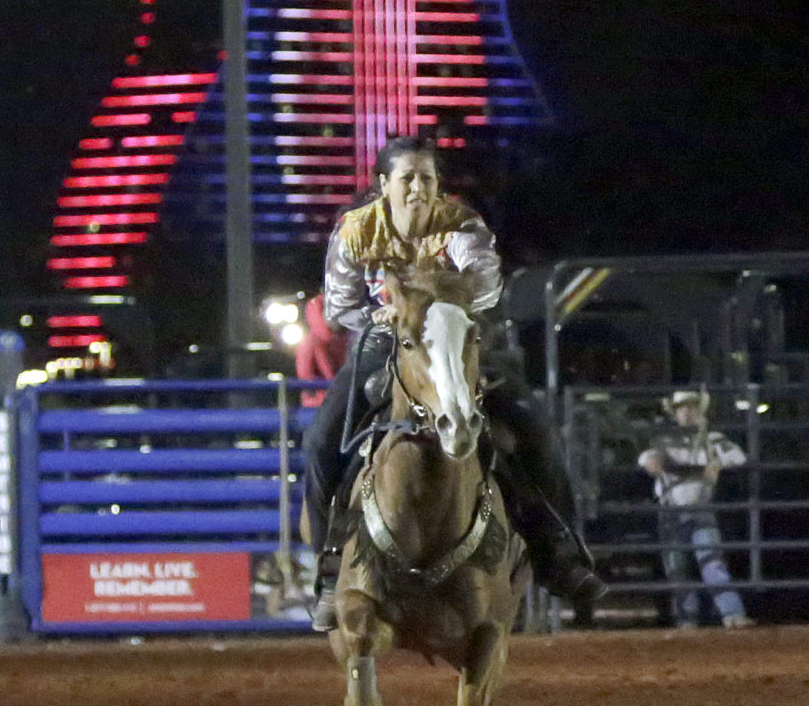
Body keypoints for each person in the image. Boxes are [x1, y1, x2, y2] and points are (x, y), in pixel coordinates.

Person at [303, 135, 605, 630]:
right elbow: (338, 306)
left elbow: (484, 284)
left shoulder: (461, 224)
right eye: (407, 178)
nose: (418, 187)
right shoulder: (356, 230)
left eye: (426, 177)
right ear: (385, 185)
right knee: (320, 441)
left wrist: (441, 304)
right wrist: (388, 317)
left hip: (460, 334)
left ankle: (562, 555)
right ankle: (328, 572)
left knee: (534, 428)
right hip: (388, 341)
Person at [638, 390, 754, 630]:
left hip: (699, 507)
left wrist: (718, 463)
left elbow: (739, 457)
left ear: (700, 411)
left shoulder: (713, 438)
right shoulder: (665, 439)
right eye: (682, 408)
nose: (686, 412)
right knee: (678, 568)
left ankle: (730, 614)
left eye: (691, 407)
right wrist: (651, 461)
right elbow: (647, 458)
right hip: (672, 509)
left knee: (712, 563)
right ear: (675, 413)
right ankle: (688, 620)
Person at [293, 293, 347, 408]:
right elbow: (305, 376)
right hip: (319, 404)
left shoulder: (341, 340)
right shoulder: (310, 342)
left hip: (339, 400)